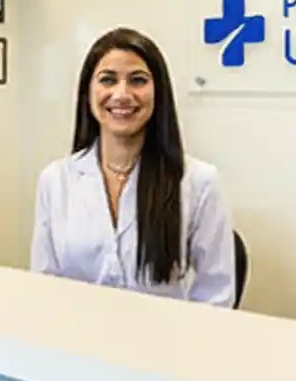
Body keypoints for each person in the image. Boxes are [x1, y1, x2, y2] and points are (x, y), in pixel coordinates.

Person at [31, 27, 237, 307]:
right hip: (73, 342)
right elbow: (44, 286)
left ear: (158, 92)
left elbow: (216, 297)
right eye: (108, 80)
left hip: (166, 344)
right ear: (88, 92)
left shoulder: (198, 182)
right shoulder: (56, 180)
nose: (121, 94)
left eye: (138, 80)